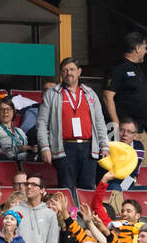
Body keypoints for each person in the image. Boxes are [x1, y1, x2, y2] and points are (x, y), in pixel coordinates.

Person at [37, 57, 108, 191]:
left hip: (88, 146)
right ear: (61, 74)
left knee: (87, 187)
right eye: (64, 70)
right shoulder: (52, 94)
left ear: (79, 72)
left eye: (72, 69)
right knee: (66, 188)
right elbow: (42, 123)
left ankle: (85, 212)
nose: (68, 73)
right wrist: (44, 147)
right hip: (64, 147)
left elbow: (100, 122)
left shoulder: (90, 93)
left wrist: (104, 145)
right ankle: (68, 213)